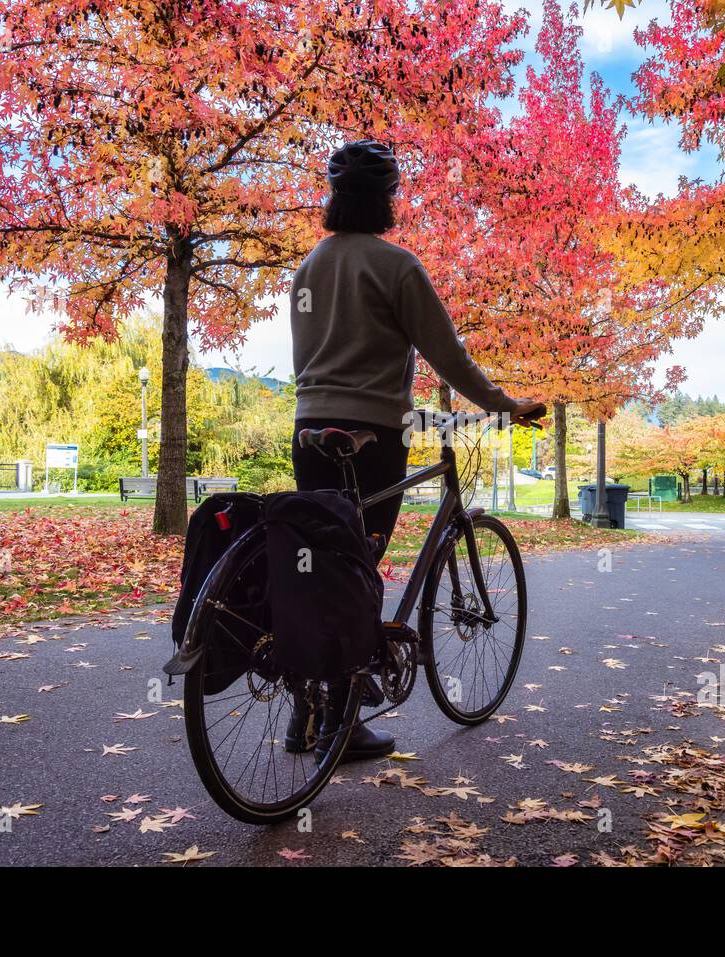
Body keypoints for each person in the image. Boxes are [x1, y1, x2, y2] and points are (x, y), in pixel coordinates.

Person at [286, 139, 543, 761]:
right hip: (374, 433)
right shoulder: (396, 265)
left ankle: (307, 712)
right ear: (387, 201)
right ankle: (342, 723)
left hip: (311, 430)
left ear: (333, 198)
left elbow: (307, 358)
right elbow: (447, 354)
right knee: (359, 569)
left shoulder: (309, 267)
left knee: (324, 567)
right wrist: (503, 405)